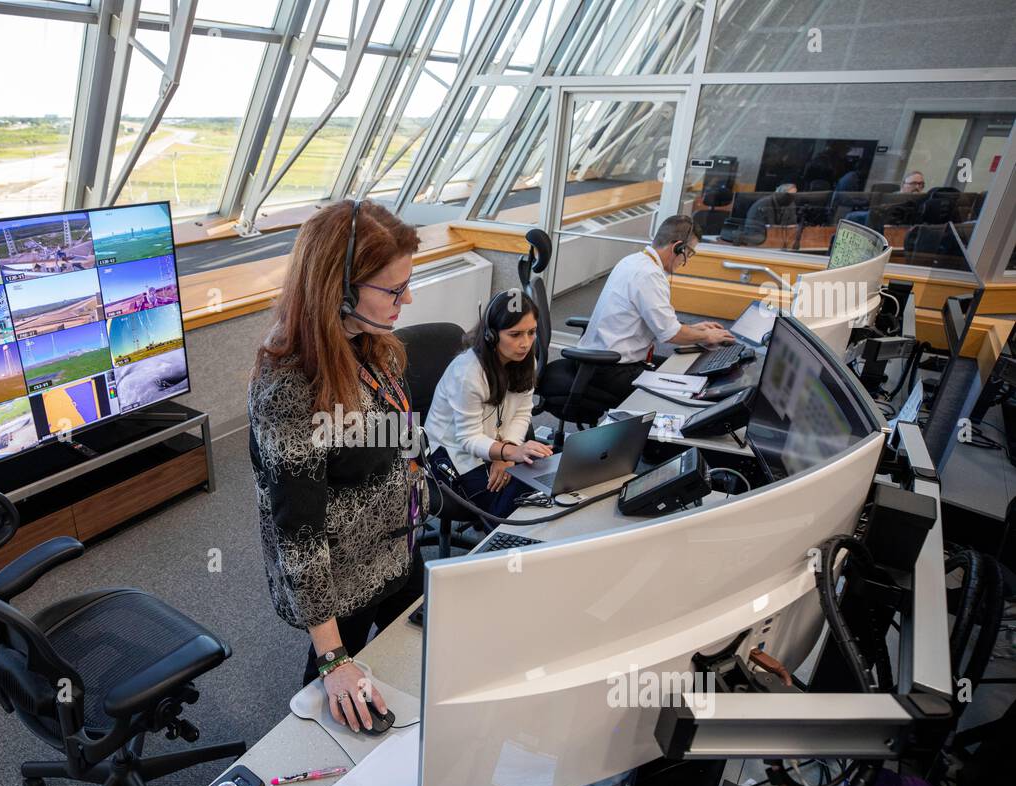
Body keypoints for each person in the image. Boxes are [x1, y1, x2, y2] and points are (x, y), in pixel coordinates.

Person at [249, 199, 425, 732]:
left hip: (396, 547)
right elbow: (298, 532)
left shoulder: (379, 348)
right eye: (393, 290)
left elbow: (396, 426)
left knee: (417, 665)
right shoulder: (289, 386)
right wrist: (332, 657)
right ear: (340, 289)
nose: (407, 299)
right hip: (339, 579)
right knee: (335, 709)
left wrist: (413, 464)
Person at [547, 216, 735, 410]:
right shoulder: (649, 274)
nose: (686, 261)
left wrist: (692, 329)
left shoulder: (634, 261)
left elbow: (658, 322)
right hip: (610, 369)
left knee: (687, 373)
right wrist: (707, 335)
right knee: (685, 393)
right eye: (688, 253)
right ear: (677, 247)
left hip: (603, 362)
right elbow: (671, 334)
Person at [424, 290, 554, 523]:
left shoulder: (525, 361)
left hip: (496, 442)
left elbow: (523, 412)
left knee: (541, 482)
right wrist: (509, 452)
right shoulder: (468, 373)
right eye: (515, 334)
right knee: (503, 510)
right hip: (453, 451)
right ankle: (502, 554)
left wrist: (507, 450)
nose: (525, 343)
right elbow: (468, 438)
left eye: (531, 332)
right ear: (492, 335)